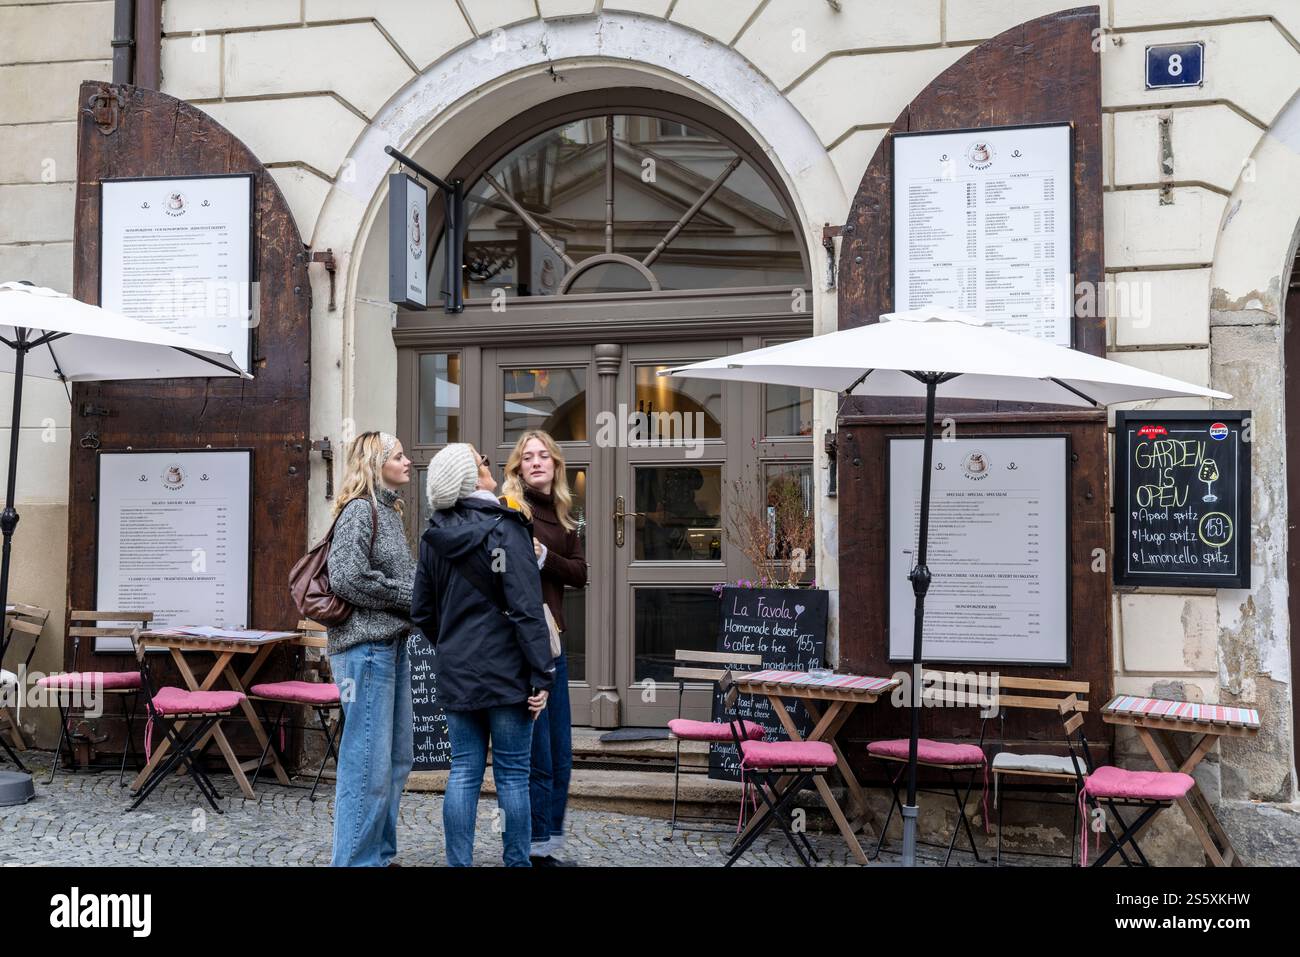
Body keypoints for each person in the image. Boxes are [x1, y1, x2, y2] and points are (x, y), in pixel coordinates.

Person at [411, 443, 554, 867]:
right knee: (512, 775)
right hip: (509, 674)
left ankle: (459, 863)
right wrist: (541, 674)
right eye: (481, 463)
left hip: (458, 672)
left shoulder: (434, 537)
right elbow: (527, 608)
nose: (489, 466)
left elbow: (422, 611)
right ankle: (516, 862)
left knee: (463, 773)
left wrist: (452, 645)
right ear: (472, 479)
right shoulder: (507, 528)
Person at [325, 431, 416, 867]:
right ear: (375, 464)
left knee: (395, 761)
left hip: (390, 648)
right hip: (364, 652)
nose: (407, 461)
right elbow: (346, 577)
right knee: (367, 766)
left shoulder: (390, 512)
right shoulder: (360, 511)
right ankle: (356, 863)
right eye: (398, 456)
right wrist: (408, 596)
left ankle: (379, 856)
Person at [502, 430, 587, 866]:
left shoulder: (564, 515)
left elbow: (579, 573)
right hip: (523, 646)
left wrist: (543, 558)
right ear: (518, 467)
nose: (536, 463)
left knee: (561, 753)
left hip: (554, 643)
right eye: (528, 457)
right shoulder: (511, 511)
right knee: (537, 754)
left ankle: (549, 842)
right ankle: (532, 846)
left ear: (555, 465)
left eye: (544, 457)